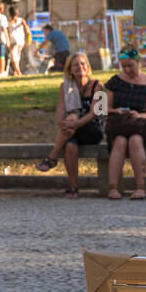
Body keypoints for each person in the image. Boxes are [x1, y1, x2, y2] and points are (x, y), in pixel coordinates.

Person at [34, 52, 104, 198]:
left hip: (92, 128)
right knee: (70, 146)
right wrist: (61, 122)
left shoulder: (98, 85)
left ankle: (52, 158)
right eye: (76, 65)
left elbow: (96, 112)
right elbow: (60, 109)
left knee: (72, 118)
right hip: (71, 130)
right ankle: (74, 188)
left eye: (83, 64)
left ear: (88, 67)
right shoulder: (64, 86)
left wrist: (76, 123)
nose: (80, 67)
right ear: (70, 69)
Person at [103, 47, 146, 200]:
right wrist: (117, 111)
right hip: (119, 125)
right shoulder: (114, 82)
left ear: (138, 62)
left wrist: (142, 115)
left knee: (135, 140)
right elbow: (103, 108)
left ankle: (140, 187)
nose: (127, 69)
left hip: (141, 126)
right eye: (123, 66)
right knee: (120, 142)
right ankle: (113, 188)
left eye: (130, 65)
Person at [6, 5, 29, 77]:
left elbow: (7, 31)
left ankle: (18, 71)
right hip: (20, 40)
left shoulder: (10, 22)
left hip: (14, 41)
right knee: (17, 57)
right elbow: (27, 29)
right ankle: (16, 71)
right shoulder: (21, 20)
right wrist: (28, 36)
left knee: (14, 56)